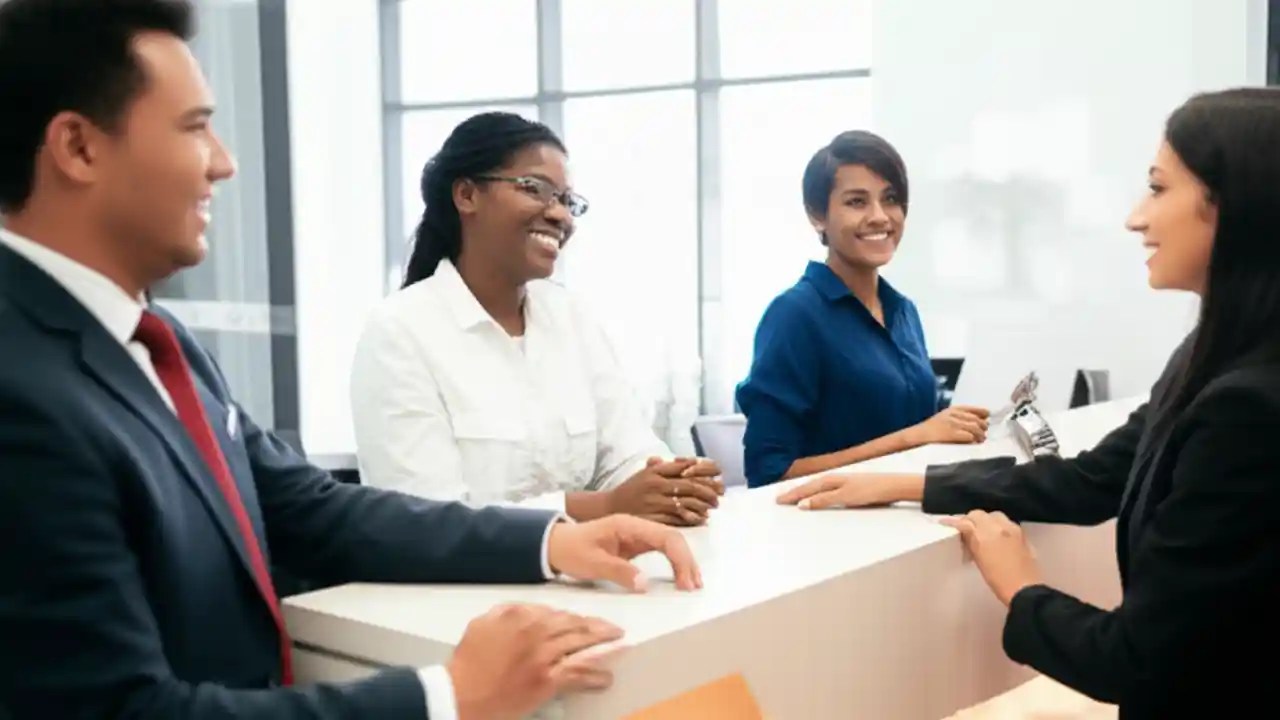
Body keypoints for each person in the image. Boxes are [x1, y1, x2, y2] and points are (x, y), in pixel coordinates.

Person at [0, 2, 703, 718]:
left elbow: (316, 512)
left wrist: (554, 540)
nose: (224, 161)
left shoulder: (163, 345)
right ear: (79, 148)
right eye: (193, 127)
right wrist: (445, 694)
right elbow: (118, 712)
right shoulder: (20, 390)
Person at [778, 88, 1280, 718]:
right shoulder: (1209, 357)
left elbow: (1142, 660)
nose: (1135, 217)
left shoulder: (1248, 408)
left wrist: (1021, 587)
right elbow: (1093, 478)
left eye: (1157, 188)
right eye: (856, 200)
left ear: (1235, 207)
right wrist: (909, 483)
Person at [350, 112, 724, 526]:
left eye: (567, 201)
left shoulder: (572, 319)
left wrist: (670, 482)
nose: (560, 216)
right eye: (536, 189)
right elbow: (427, 518)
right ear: (466, 195)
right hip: (464, 589)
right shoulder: (400, 331)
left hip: (588, 578)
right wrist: (605, 507)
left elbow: (626, 453)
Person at [735, 130, 989, 488]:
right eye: (857, 202)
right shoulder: (794, 315)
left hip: (913, 524)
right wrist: (915, 436)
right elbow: (770, 473)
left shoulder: (903, 312)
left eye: (891, 199)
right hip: (834, 535)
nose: (880, 216)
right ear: (817, 214)